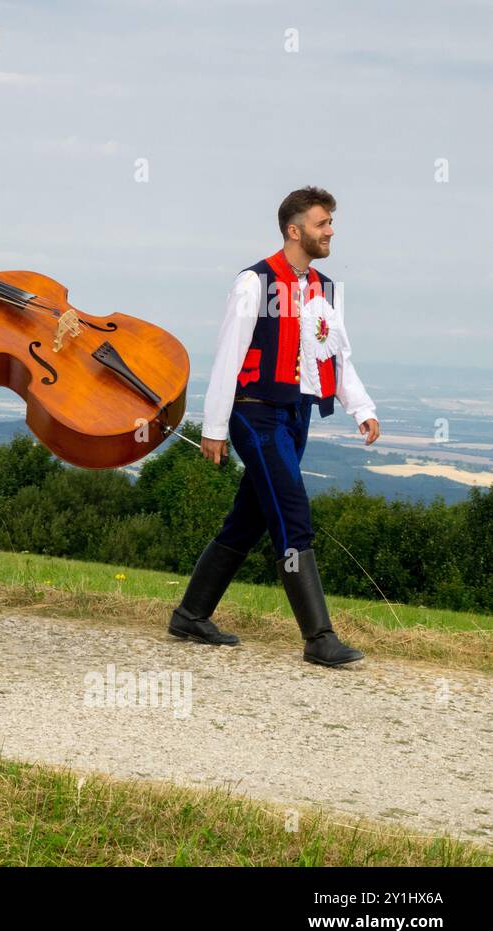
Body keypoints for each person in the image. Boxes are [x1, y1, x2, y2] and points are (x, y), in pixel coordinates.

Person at [169, 186, 379, 668]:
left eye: (330, 223)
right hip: (254, 411)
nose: (331, 231)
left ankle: (191, 614)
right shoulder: (253, 283)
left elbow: (336, 357)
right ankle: (319, 637)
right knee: (291, 510)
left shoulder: (325, 289)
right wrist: (215, 427)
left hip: (296, 413)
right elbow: (228, 356)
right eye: (322, 223)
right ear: (294, 230)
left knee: (250, 517)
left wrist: (361, 408)